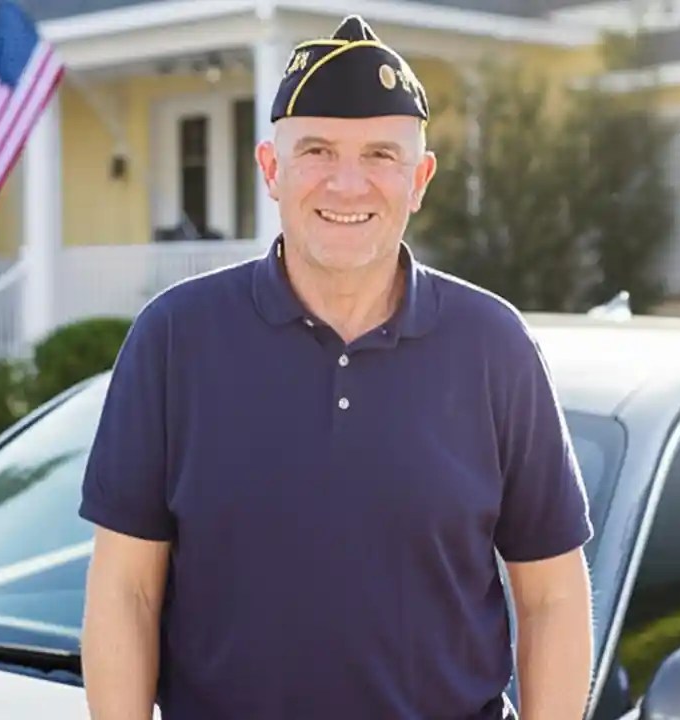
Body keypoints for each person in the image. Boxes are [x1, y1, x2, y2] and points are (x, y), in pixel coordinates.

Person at [78, 14, 594, 720]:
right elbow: (125, 593)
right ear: (271, 169)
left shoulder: (493, 345)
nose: (348, 185)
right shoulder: (175, 339)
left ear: (419, 178)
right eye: (317, 149)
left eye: (381, 155)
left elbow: (554, 597)